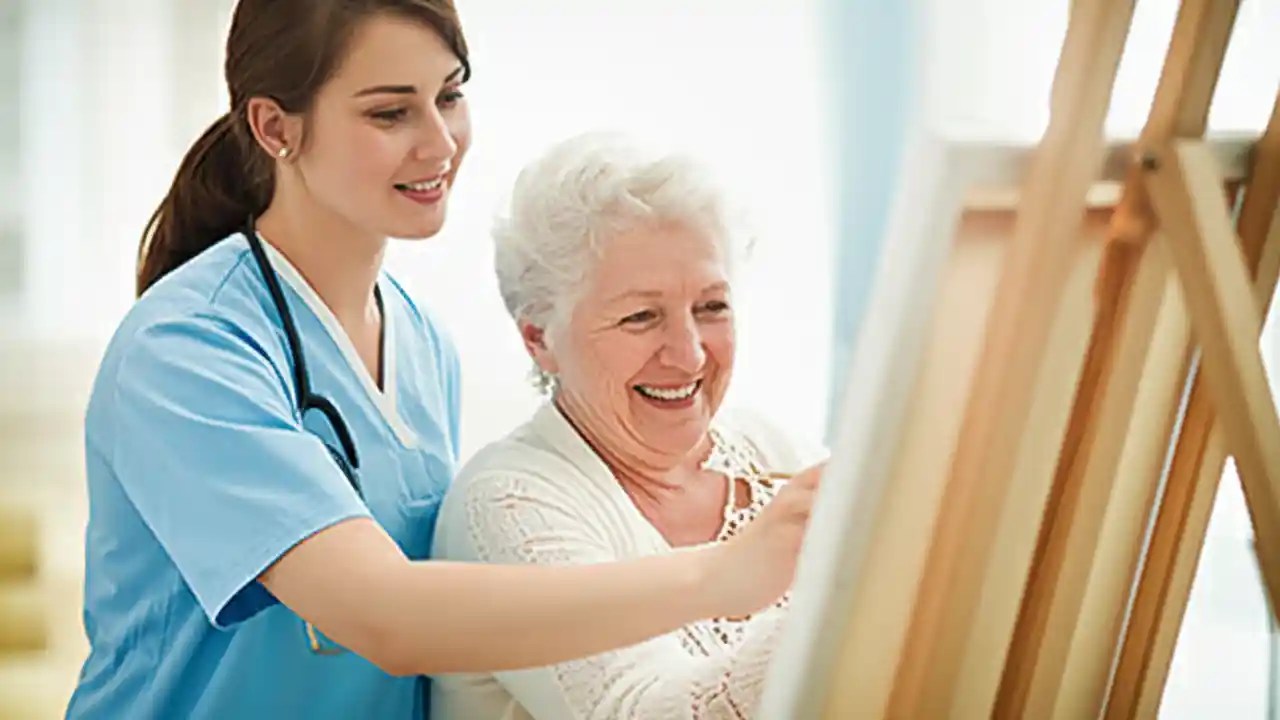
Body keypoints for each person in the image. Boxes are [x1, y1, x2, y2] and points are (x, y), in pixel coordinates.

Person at [64, 2, 823, 718]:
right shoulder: (188, 351)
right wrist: (718, 580)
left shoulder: (421, 341)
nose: (439, 143)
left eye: (450, 97)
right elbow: (389, 618)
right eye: (390, 112)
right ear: (274, 128)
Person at [429, 134, 828, 719]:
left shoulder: (770, 447)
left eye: (712, 307)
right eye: (641, 317)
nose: (689, 356)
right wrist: (848, 601)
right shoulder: (507, 502)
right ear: (539, 339)